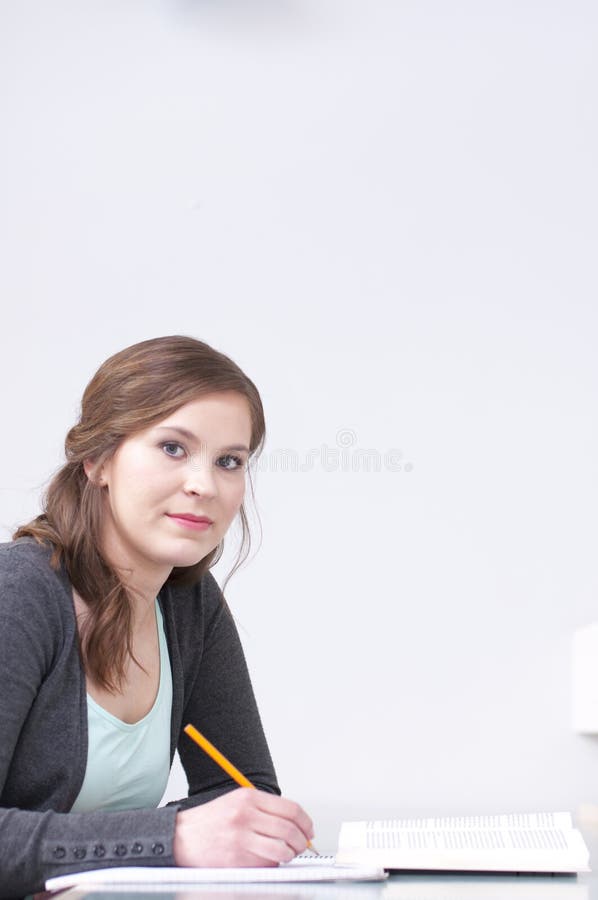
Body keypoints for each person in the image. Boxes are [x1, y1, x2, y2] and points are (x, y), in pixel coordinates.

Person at [0, 335, 314, 899]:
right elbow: (188, 833)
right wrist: (171, 835)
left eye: (229, 461)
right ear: (97, 460)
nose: (204, 484)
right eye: (173, 448)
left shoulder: (188, 603)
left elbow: (245, 794)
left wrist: (223, 830)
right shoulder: (19, 594)